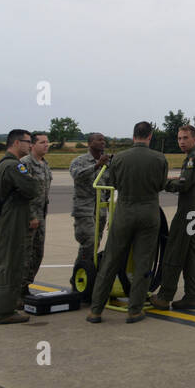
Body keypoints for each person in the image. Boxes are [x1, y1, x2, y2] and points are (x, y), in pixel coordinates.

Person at [86, 122, 167, 324]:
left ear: (133, 137)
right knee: (143, 262)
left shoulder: (119, 158)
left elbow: (114, 183)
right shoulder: (159, 158)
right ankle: (135, 310)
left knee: (111, 260)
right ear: (149, 137)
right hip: (149, 212)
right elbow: (160, 185)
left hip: (124, 211)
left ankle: (95, 310)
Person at [0, 129, 40, 324]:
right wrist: (32, 182)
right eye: (27, 141)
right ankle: (5, 311)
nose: (30, 145)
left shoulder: (4, 164)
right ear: (16, 143)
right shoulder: (14, 166)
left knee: (0, 263)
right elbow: (33, 189)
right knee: (10, 265)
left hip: (4, 220)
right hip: (12, 220)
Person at [149, 125, 195, 311]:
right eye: (179, 138)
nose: (181, 142)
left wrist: (163, 182)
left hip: (189, 213)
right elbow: (186, 180)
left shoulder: (193, 158)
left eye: (185, 138)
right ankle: (192, 296)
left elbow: (184, 185)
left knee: (175, 252)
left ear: (194, 139)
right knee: (191, 254)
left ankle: (165, 296)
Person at [18, 132, 52, 299]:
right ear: (32, 145)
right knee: (25, 255)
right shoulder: (25, 164)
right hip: (29, 217)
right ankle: (18, 291)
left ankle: (25, 287)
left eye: (47, 142)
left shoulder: (45, 164)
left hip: (41, 216)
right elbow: (23, 192)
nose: (46, 145)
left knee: (38, 254)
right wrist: (31, 215)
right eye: (42, 142)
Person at [69, 132, 110, 269]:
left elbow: (110, 187)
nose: (103, 142)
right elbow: (77, 175)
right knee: (89, 242)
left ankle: (87, 273)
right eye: (99, 140)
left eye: (104, 140)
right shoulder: (79, 161)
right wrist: (97, 165)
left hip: (100, 211)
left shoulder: (108, 163)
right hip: (84, 210)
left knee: (95, 244)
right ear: (90, 143)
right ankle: (80, 273)